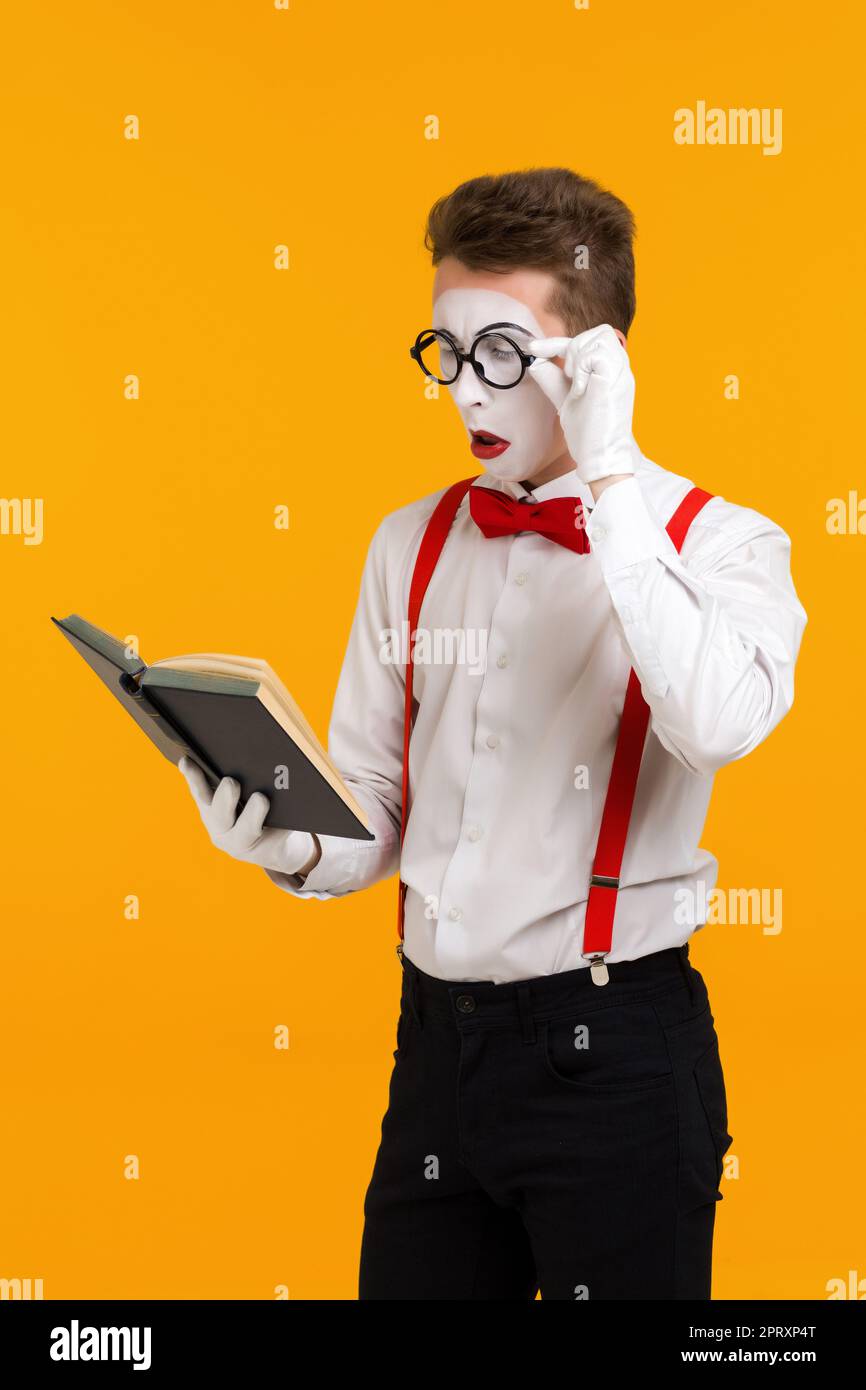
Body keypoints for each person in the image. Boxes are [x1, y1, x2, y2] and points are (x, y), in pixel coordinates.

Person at [179, 167, 807, 1300]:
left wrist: (608, 474)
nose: (462, 389)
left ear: (594, 361)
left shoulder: (720, 545)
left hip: (610, 1056)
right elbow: (373, 805)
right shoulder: (408, 543)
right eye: (444, 351)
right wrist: (287, 843)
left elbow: (713, 723)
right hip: (435, 1053)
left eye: (501, 354)